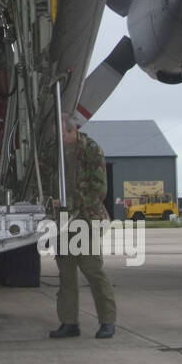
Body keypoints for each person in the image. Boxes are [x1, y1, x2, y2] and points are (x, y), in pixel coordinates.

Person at [39, 112, 116, 339]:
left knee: (92, 270)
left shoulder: (91, 150)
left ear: (73, 131)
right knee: (66, 273)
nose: (58, 139)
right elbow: (42, 176)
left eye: (61, 134)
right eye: (56, 135)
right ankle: (69, 322)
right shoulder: (54, 151)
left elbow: (98, 191)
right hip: (62, 220)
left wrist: (67, 201)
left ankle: (107, 321)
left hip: (86, 218)